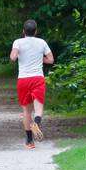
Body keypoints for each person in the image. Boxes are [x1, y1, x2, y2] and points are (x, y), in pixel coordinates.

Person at [10, 18, 53, 149]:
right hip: (38, 78)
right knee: (38, 108)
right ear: (35, 31)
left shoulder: (18, 42)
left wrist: (17, 54)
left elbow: (13, 57)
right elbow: (50, 60)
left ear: (23, 31)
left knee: (26, 111)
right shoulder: (42, 42)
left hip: (23, 79)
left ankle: (29, 141)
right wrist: (40, 58)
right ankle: (37, 122)